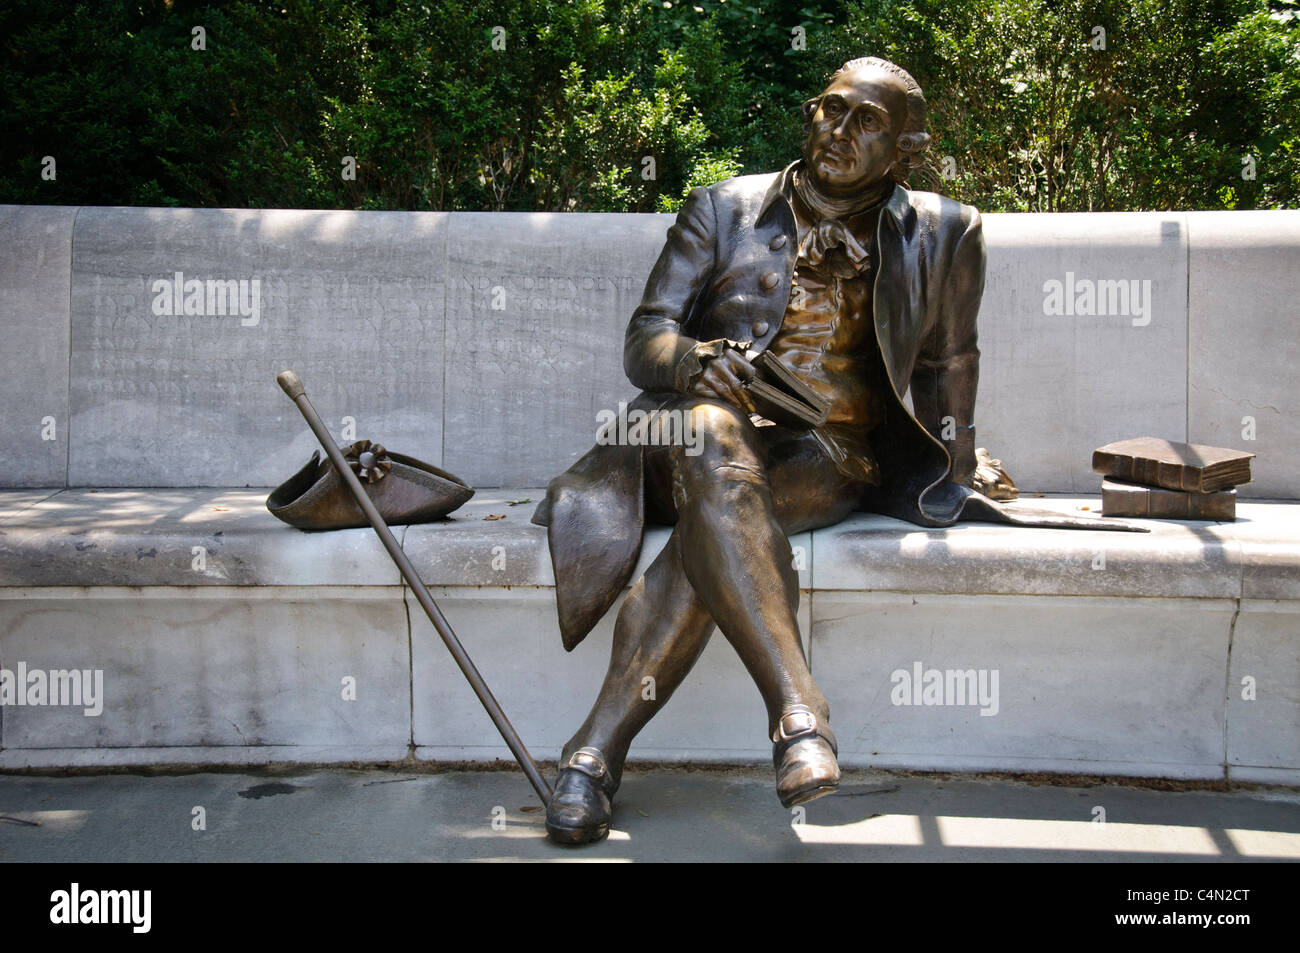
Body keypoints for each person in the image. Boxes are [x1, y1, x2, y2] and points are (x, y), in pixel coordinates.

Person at [533, 56, 1078, 845]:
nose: (838, 130)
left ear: (906, 150)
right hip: (673, 433)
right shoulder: (722, 209)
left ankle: (592, 754)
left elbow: (947, 363)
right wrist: (693, 362)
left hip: (826, 459)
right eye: (830, 108)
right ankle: (799, 713)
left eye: (866, 122)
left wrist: (953, 466)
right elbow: (644, 338)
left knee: (717, 527)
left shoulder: (949, 232)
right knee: (713, 435)